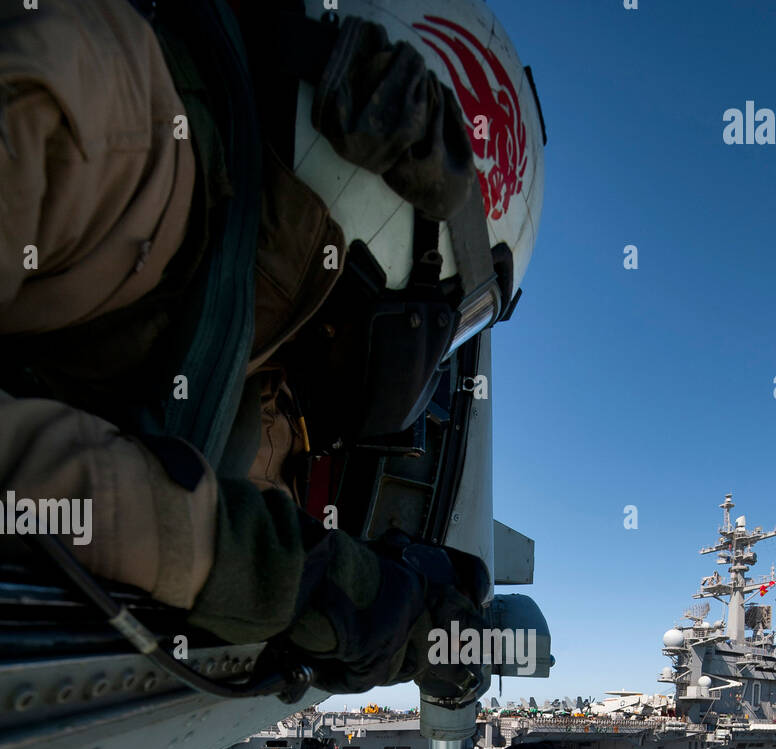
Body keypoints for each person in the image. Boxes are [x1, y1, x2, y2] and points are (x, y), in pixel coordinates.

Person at [0, 0, 544, 697]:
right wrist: (271, 576)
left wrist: (367, 595)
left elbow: (260, 523)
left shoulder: (242, 340)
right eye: (445, 324)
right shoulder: (100, 112)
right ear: (395, 186)